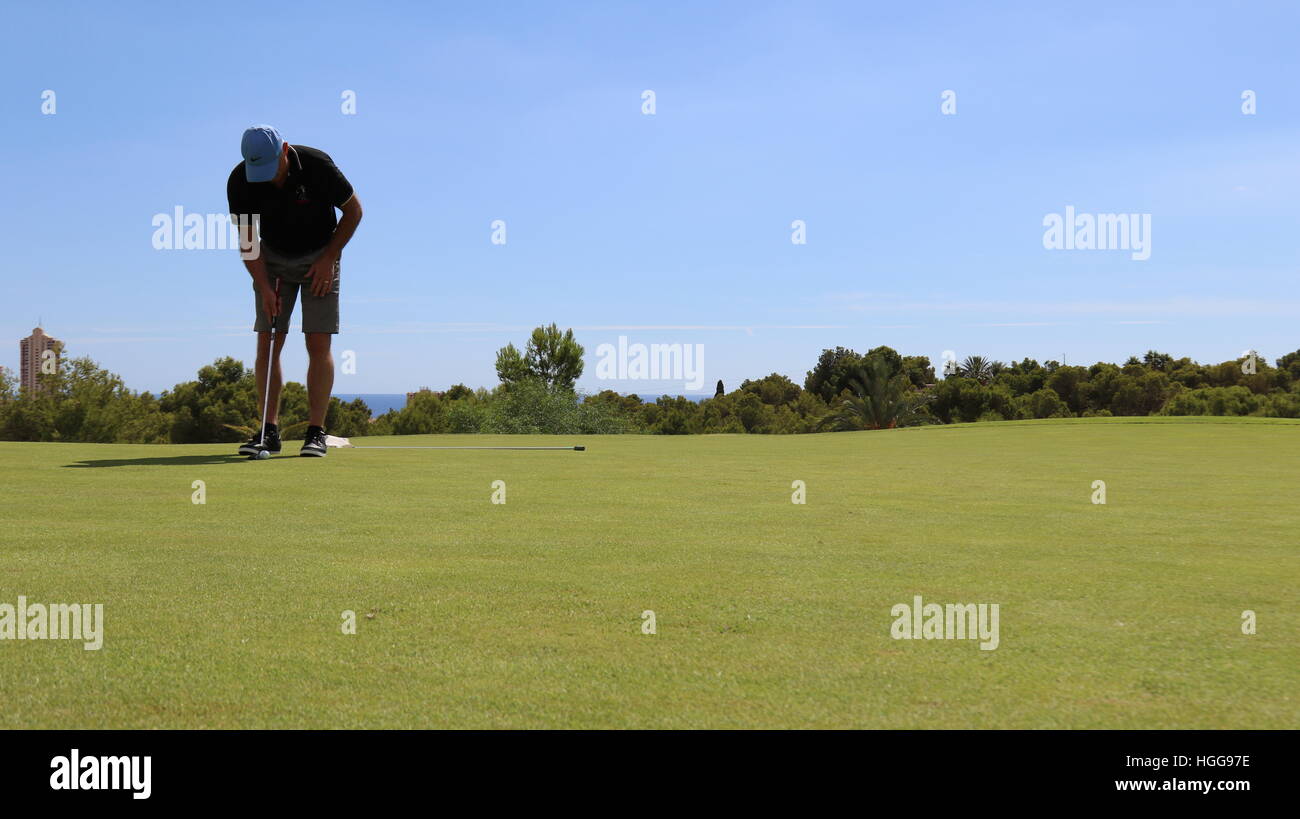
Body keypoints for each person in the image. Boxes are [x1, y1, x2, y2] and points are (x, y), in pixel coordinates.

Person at [227, 125, 362, 457]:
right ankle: (268, 431)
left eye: (272, 167)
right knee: (269, 341)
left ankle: (315, 432)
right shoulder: (240, 180)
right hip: (272, 260)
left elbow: (354, 211)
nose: (268, 177)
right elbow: (248, 240)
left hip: (320, 255)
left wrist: (329, 258)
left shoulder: (317, 165)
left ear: (285, 150)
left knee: (317, 340)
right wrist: (262, 285)